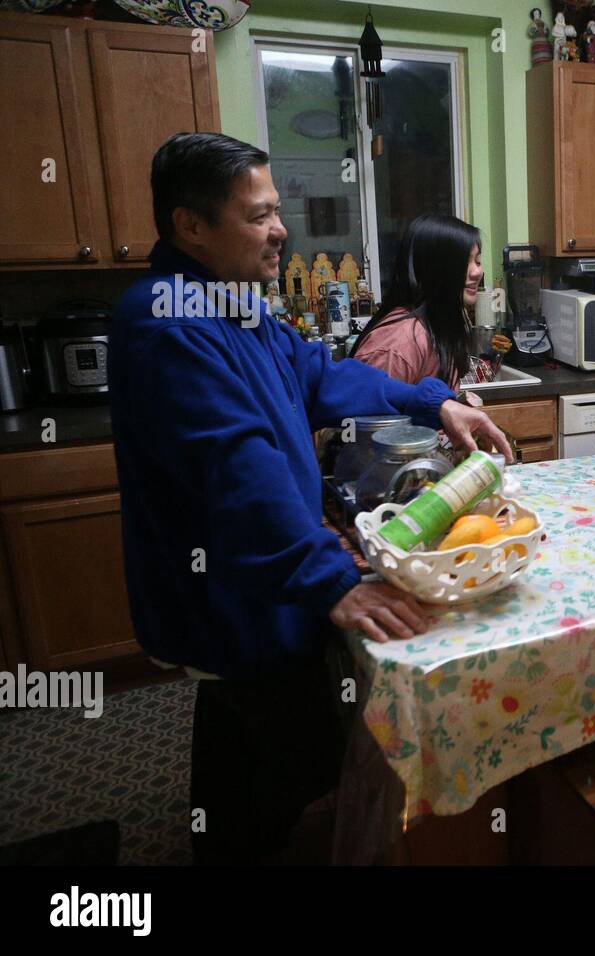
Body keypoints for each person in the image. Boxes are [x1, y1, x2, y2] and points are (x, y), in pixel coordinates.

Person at [109, 133, 512, 864]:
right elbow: (237, 467)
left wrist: (434, 404)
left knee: (250, 748)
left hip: (270, 587)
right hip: (240, 593)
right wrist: (326, 575)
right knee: (275, 767)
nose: (280, 229)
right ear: (190, 226)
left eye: (277, 210)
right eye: (258, 215)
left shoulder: (240, 307)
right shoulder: (166, 322)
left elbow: (325, 379)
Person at [351, 213, 500, 395]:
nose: (478, 272)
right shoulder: (400, 343)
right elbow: (370, 418)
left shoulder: (436, 328)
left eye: (477, 261)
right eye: (464, 262)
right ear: (436, 269)